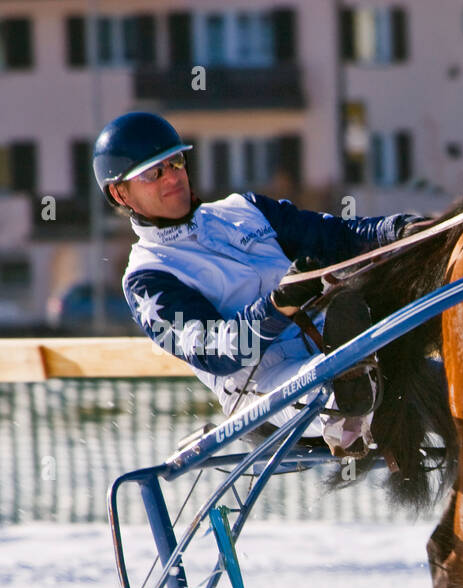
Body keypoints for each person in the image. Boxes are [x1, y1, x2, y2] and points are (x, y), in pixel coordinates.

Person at [93, 111, 422, 455]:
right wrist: (277, 307)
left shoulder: (245, 209)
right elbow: (217, 351)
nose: (172, 177)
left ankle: (363, 379)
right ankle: (351, 404)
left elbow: (336, 237)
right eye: (153, 173)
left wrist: (398, 231)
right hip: (262, 389)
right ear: (120, 194)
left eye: (175, 162)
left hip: (331, 341)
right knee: (327, 382)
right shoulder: (148, 277)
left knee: (445, 374)